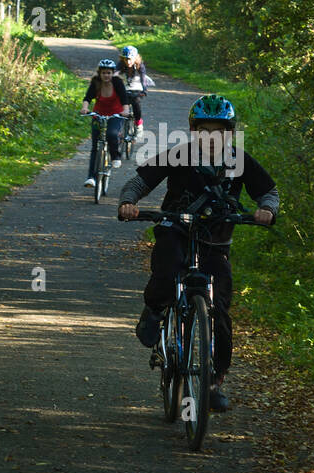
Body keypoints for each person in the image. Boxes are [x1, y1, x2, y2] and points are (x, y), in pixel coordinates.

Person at [117, 94, 278, 411]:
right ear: (193, 130)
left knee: (220, 310)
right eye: (205, 130)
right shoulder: (179, 155)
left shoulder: (240, 161)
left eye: (220, 131)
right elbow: (140, 181)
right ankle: (153, 310)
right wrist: (128, 203)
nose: (212, 137)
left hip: (215, 243)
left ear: (230, 132)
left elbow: (267, 192)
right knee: (167, 270)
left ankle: (214, 380)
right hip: (176, 231)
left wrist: (267, 211)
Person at [81, 58, 132, 188]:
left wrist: (125, 110)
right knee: (95, 146)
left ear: (112, 73)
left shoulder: (117, 82)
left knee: (112, 134)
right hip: (98, 115)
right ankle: (91, 177)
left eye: (109, 73)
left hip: (115, 115)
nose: (106, 75)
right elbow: (87, 98)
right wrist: (85, 108)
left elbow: (124, 99)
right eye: (104, 73)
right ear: (100, 73)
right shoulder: (96, 82)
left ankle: (115, 156)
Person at [117, 45, 155, 137]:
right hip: (125, 85)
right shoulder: (120, 64)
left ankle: (138, 125)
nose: (128, 61)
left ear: (135, 58)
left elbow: (143, 78)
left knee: (136, 102)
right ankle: (118, 127)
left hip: (136, 85)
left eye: (130, 59)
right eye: (126, 59)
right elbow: (114, 75)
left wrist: (144, 90)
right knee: (120, 103)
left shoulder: (140, 65)